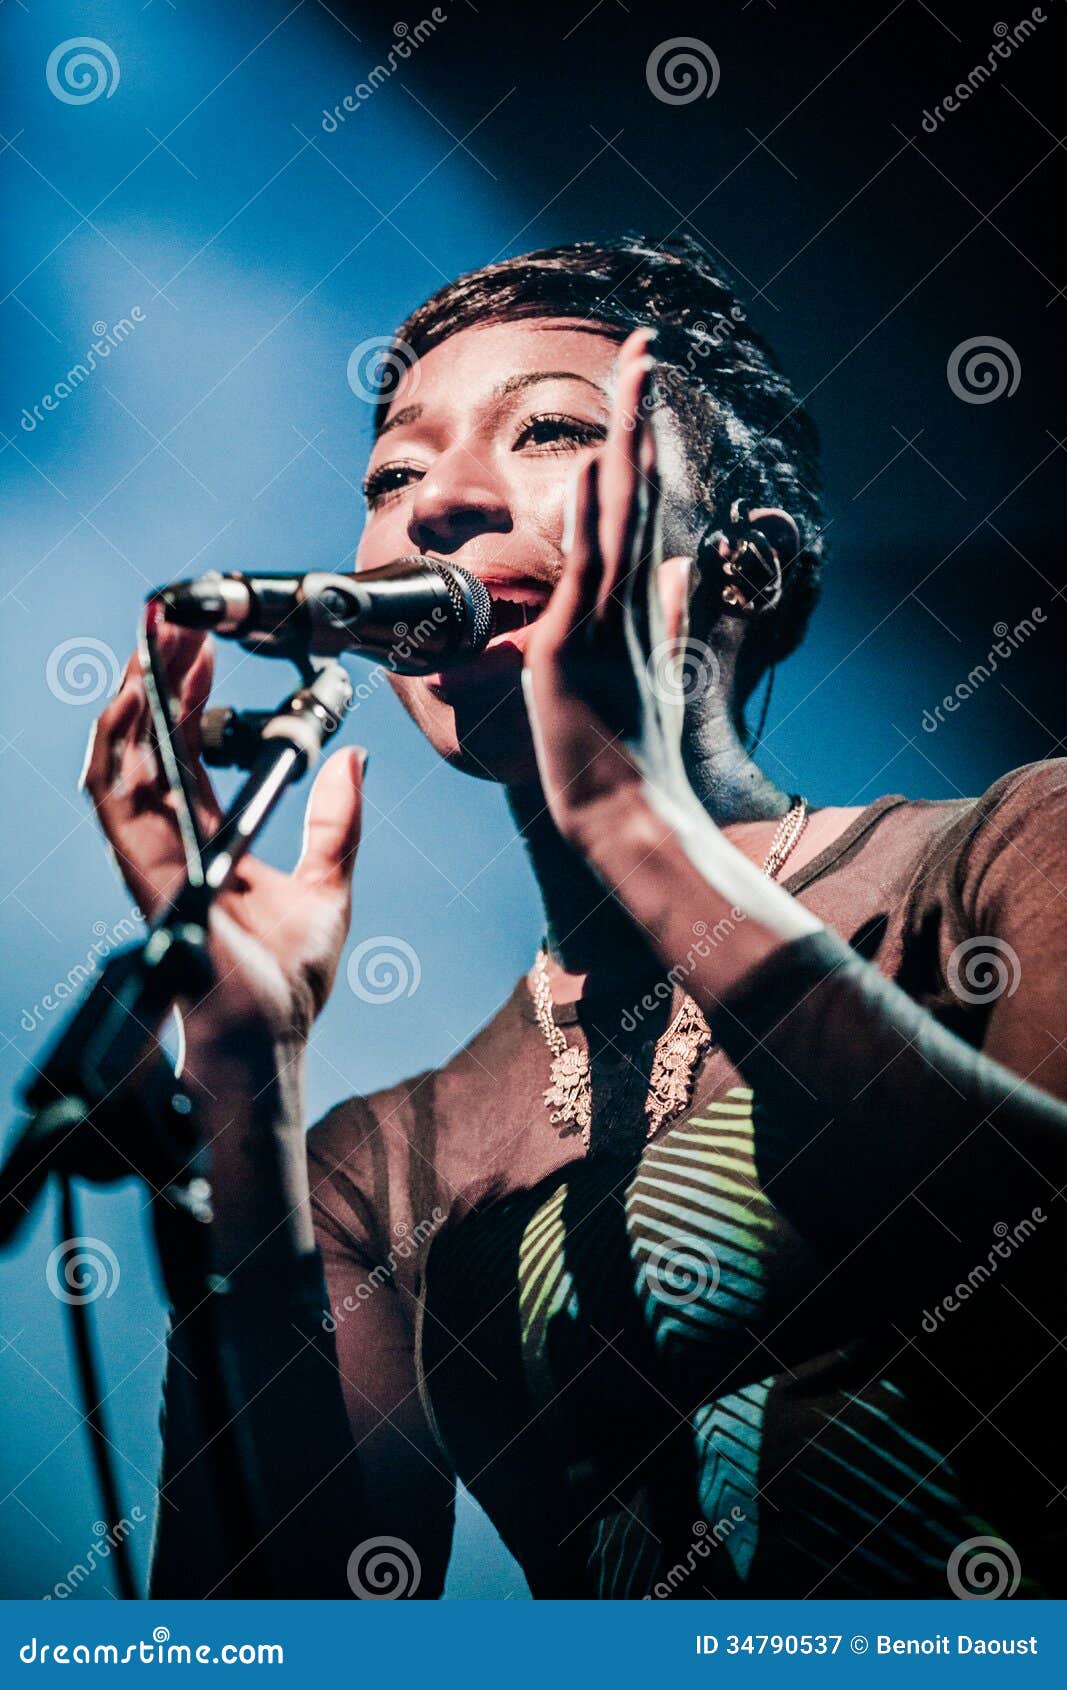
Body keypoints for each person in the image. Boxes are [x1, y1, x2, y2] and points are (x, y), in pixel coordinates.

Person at [83, 236, 1067, 1600]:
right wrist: (242, 1078)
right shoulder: (384, 1161)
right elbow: (286, 1636)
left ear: (746, 568)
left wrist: (631, 813)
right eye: (393, 473)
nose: (433, 507)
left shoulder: (1010, 850)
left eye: (546, 428)